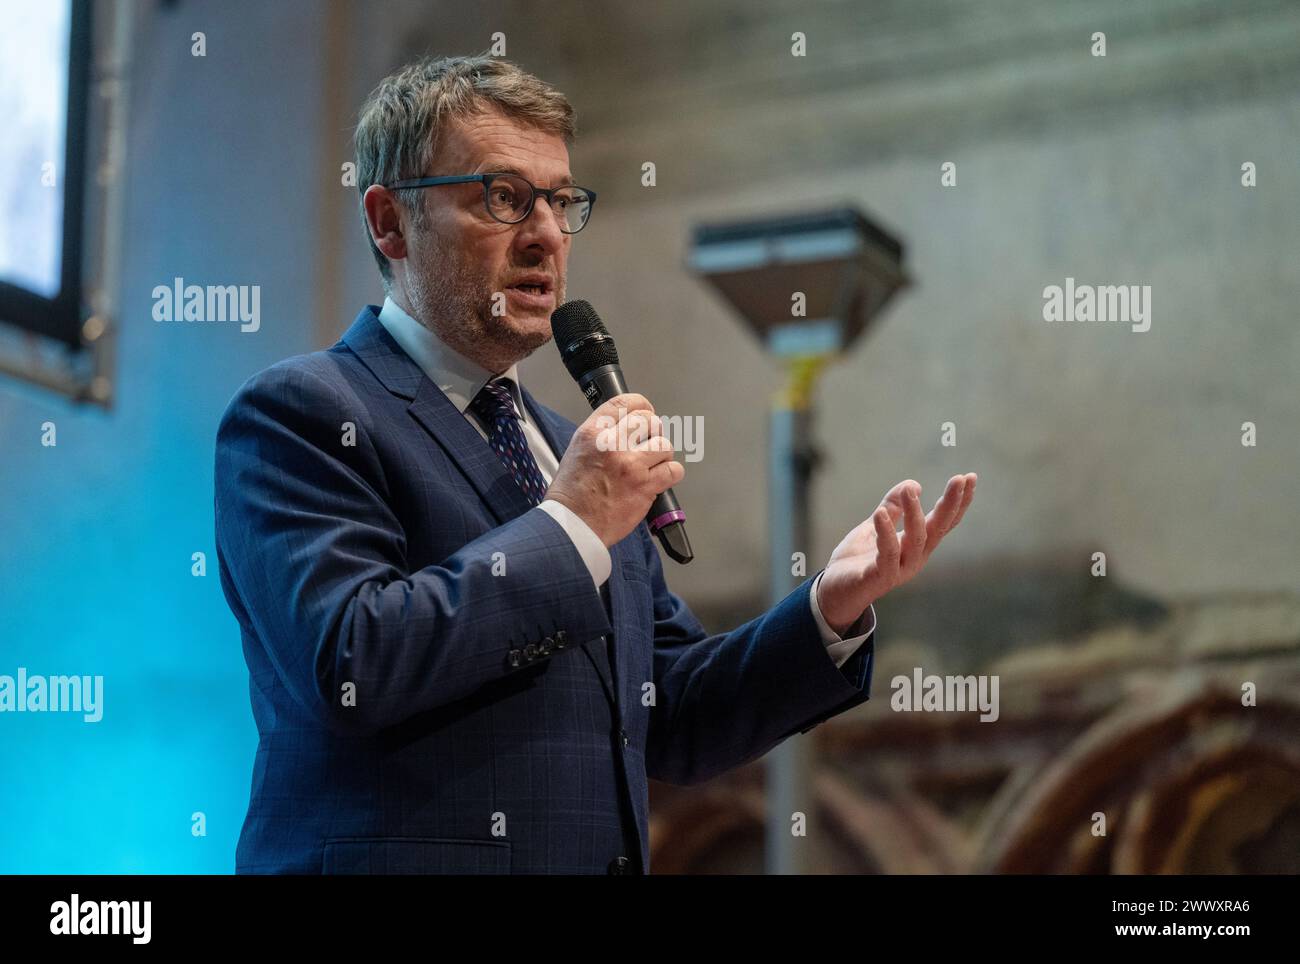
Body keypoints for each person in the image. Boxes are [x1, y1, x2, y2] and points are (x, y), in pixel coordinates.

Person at [214, 54, 976, 874]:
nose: (545, 232)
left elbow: (675, 713)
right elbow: (351, 661)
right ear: (391, 222)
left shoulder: (566, 448)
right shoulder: (305, 412)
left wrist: (827, 608)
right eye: (503, 197)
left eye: (561, 200)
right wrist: (571, 523)